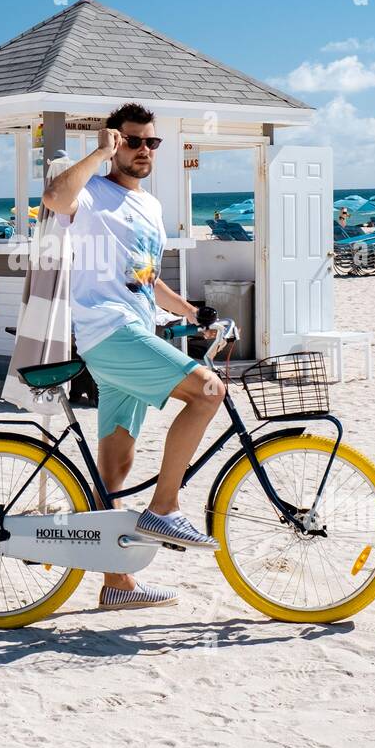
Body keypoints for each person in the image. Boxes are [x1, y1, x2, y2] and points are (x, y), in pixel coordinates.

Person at [42, 102, 225, 612]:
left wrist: (190, 311)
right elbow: (54, 196)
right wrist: (99, 153)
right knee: (209, 390)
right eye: (133, 141)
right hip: (108, 331)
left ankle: (117, 583)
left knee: (115, 466)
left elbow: (146, 279)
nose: (143, 150)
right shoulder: (92, 192)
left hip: (134, 329)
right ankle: (165, 506)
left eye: (151, 142)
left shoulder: (152, 207)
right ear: (116, 141)